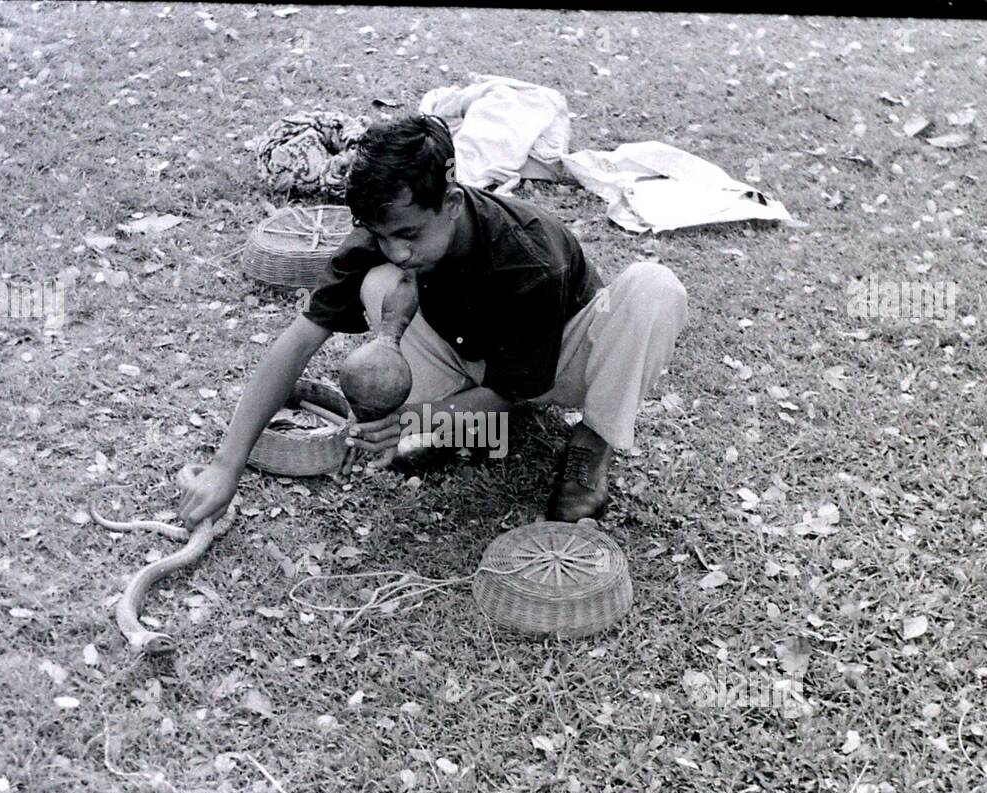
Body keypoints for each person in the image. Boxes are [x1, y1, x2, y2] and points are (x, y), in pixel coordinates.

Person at [179, 113, 688, 529]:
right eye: (382, 235)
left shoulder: (528, 254)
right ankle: (474, 427)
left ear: (449, 201)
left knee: (654, 288)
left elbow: (516, 389)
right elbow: (298, 341)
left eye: (409, 234)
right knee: (378, 281)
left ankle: (592, 444)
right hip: (475, 362)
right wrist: (227, 465)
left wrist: (410, 421)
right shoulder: (385, 240)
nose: (398, 250)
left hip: (557, 365)